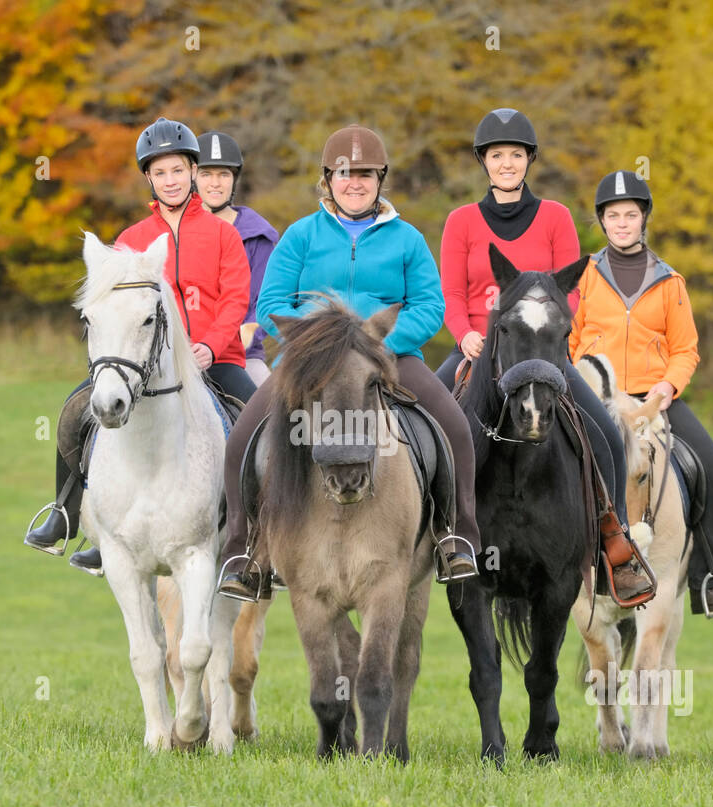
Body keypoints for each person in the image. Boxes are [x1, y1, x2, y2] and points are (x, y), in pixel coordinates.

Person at [215, 123, 481, 601]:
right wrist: (317, 343)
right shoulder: (300, 236)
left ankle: (455, 535)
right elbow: (272, 301)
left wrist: (379, 345)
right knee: (241, 439)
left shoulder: (407, 239)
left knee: (454, 428)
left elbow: (430, 305)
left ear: (381, 179)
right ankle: (245, 549)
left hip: (388, 358)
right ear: (327, 179)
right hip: (310, 364)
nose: (353, 182)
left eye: (364, 174)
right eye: (343, 173)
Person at [438, 108, 654, 607]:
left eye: (516, 154)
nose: (507, 163)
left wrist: (554, 341)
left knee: (605, 433)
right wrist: (467, 334)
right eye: (498, 155)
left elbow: (570, 293)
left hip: (544, 355)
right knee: (433, 427)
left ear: (528, 160)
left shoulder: (556, 217)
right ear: (484, 162)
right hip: (479, 350)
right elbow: (450, 292)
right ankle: (435, 537)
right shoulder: (461, 222)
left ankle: (614, 545)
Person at [23, 117, 253, 574]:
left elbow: (236, 300)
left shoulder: (224, 234)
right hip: (144, 368)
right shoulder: (131, 240)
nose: (170, 180)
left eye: (178, 171)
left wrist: (208, 345)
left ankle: (257, 538)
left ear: (193, 172)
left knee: (257, 419)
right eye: (160, 172)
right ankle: (70, 517)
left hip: (215, 360)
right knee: (74, 410)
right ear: (149, 177)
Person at [569, 170, 713, 617]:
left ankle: (711, 579)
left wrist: (666, 389)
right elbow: (569, 340)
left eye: (631, 214)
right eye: (614, 215)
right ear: (602, 222)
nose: (623, 223)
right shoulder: (583, 276)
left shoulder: (671, 282)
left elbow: (686, 349)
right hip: (596, 398)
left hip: (654, 399)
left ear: (643, 219)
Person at [196, 130, 279, 386]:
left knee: (274, 410)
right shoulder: (176, 232)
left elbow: (261, 304)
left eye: (224, 174)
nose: (215, 183)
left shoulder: (259, 236)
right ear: (193, 178)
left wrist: (239, 338)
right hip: (184, 353)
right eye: (206, 174)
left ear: (234, 180)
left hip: (242, 357)